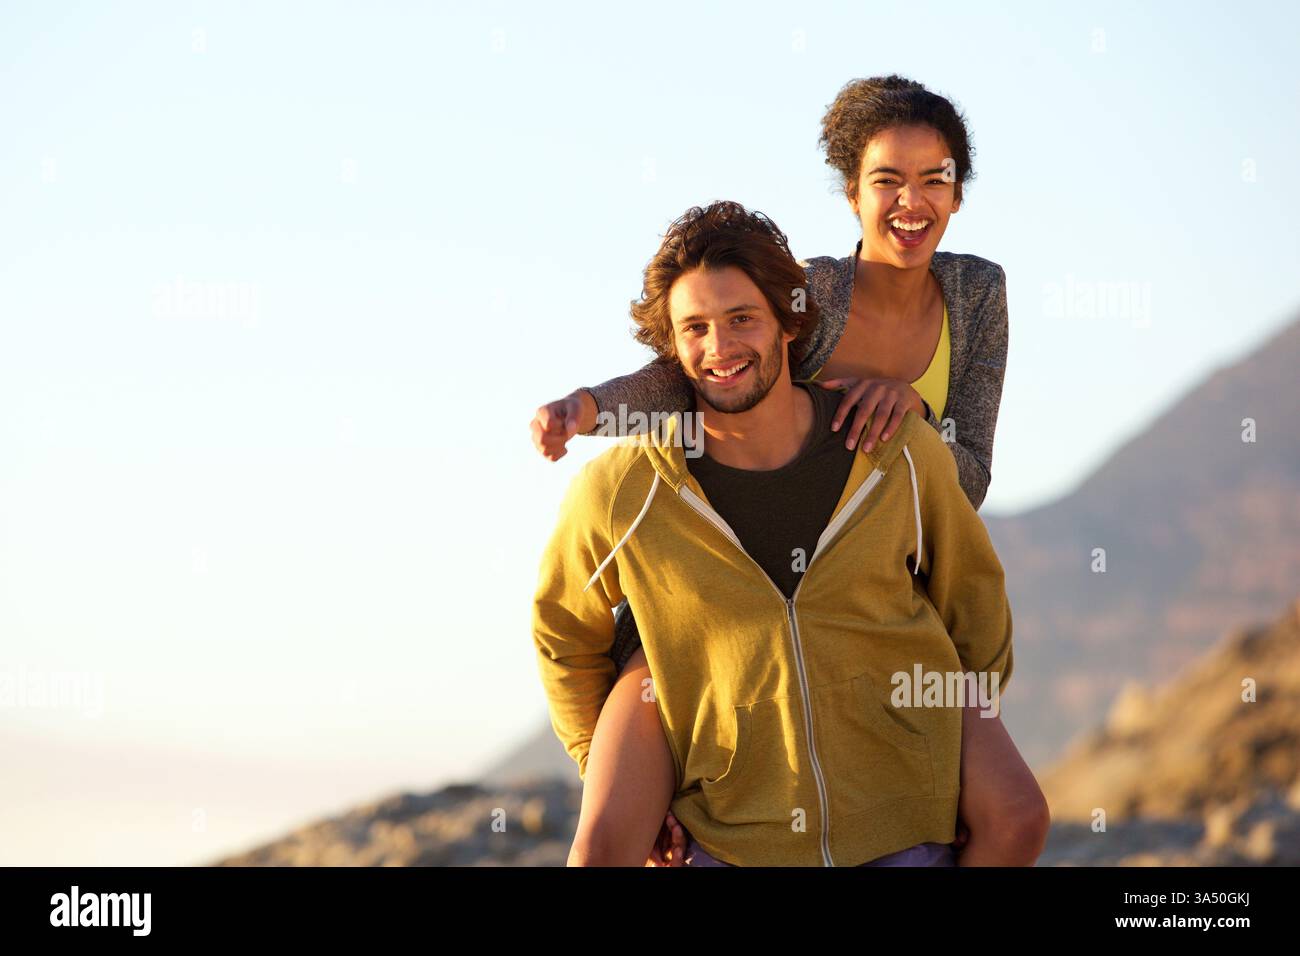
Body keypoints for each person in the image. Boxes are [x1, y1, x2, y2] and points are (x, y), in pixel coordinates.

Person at [531, 76, 1048, 865]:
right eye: (887, 180)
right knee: (607, 835)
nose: (912, 201)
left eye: (935, 178)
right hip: (690, 615)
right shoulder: (816, 289)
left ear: (959, 192)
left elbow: (967, 475)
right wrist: (592, 408)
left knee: (1013, 809)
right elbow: (705, 374)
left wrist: (907, 415)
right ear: (851, 194)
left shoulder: (977, 294)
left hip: (877, 570)